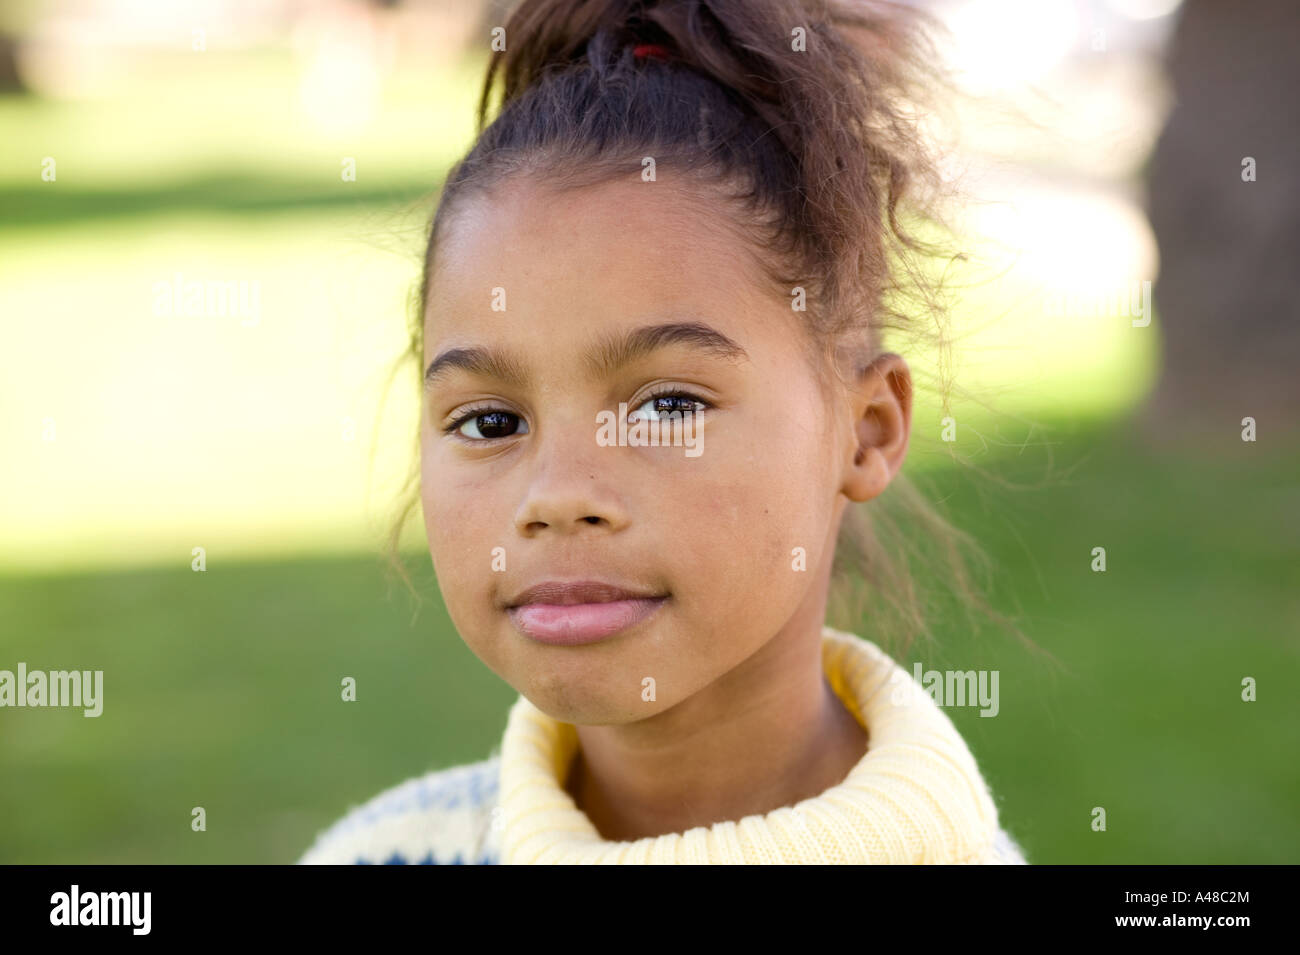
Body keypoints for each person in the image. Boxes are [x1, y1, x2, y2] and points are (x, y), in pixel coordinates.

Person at [299, 0, 1029, 864]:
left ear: (865, 432)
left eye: (667, 407)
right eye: (491, 420)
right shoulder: (377, 854)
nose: (558, 493)